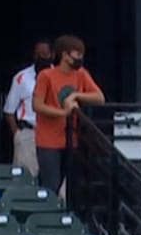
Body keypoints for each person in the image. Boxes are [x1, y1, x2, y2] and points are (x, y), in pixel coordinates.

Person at [31, 34, 104, 193]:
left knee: (72, 185)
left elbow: (99, 97)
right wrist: (62, 112)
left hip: (72, 139)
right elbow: (37, 105)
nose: (80, 58)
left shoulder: (81, 74)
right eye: (77, 54)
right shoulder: (46, 76)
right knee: (51, 184)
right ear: (64, 55)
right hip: (48, 140)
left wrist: (76, 95)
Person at [2, 39, 51, 176]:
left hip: (53, 135)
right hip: (28, 134)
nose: (41, 57)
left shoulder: (59, 76)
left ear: (52, 55)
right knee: (25, 179)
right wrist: (17, 135)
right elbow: (9, 110)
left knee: (56, 183)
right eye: (38, 54)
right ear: (34, 56)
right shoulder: (21, 78)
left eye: (45, 54)